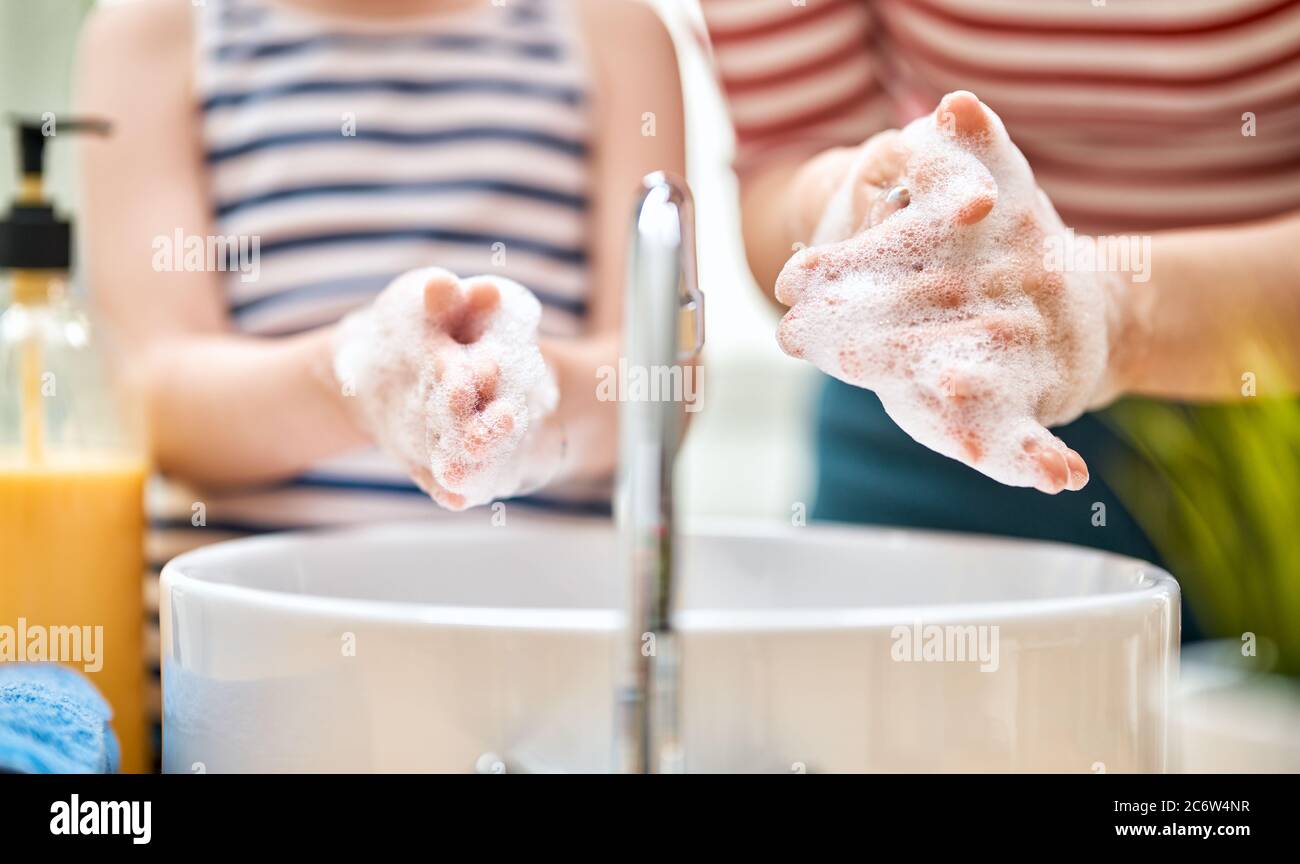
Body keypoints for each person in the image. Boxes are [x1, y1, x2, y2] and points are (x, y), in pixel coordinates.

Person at [75, 0, 684, 762]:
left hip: (546, 708)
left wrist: (529, 404)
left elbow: (663, 382)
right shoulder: (156, 32)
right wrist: (355, 380)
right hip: (256, 695)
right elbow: (157, 396)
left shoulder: (611, 30)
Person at [698, 0, 1300, 569]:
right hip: (935, 407)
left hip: (1270, 418)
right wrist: (846, 202)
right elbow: (789, 153)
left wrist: (1113, 311)